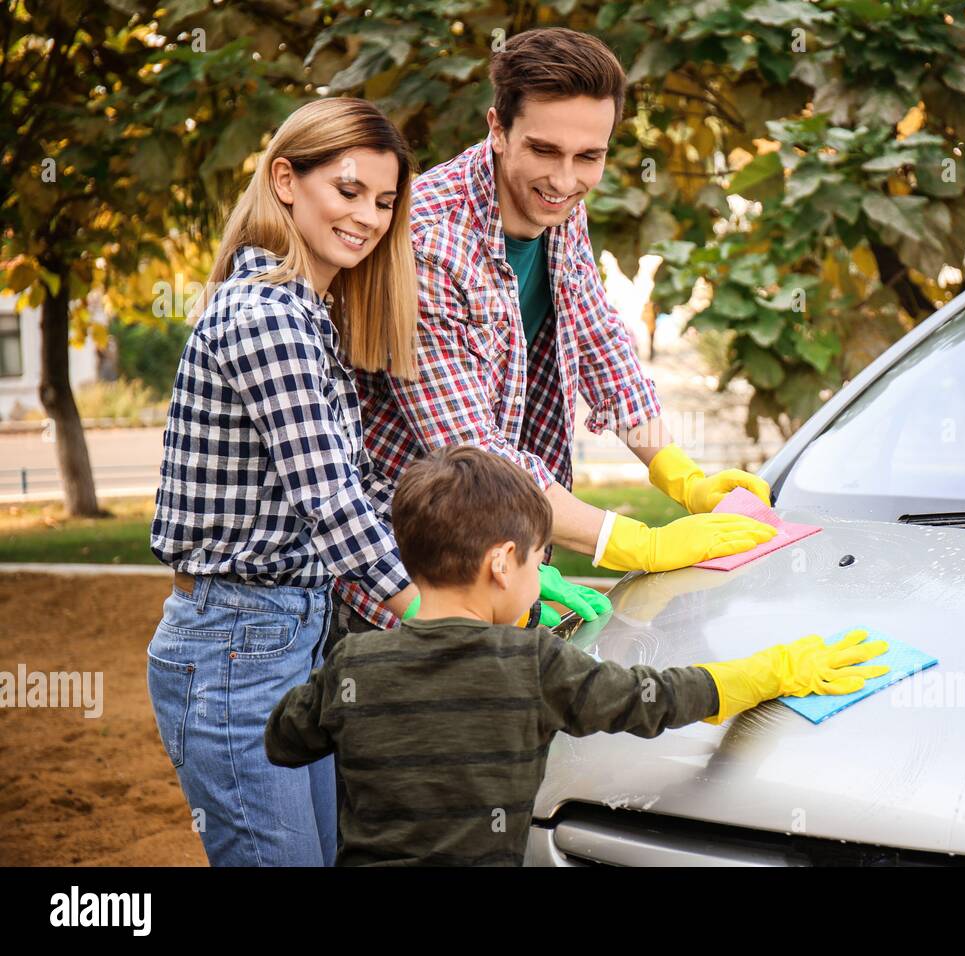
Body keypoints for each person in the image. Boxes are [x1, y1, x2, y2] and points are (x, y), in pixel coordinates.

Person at [333, 27, 777, 634]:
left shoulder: (560, 208)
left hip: (508, 558)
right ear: (497, 128)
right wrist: (633, 542)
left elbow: (601, 345)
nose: (565, 180)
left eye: (588, 157)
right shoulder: (425, 243)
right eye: (544, 151)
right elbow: (470, 448)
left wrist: (678, 473)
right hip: (408, 577)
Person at [265, 445, 890, 866]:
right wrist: (770, 671)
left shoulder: (355, 666)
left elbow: (283, 741)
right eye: (542, 561)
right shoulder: (533, 664)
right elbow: (658, 700)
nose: (542, 579)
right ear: (501, 563)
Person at [145, 97, 424, 866]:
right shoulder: (267, 313)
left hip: (291, 637)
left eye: (383, 201)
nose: (367, 216)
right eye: (348, 190)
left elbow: (358, 494)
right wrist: (439, 622)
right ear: (286, 180)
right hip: (237, 644)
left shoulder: (308, 314)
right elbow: (330, 501)